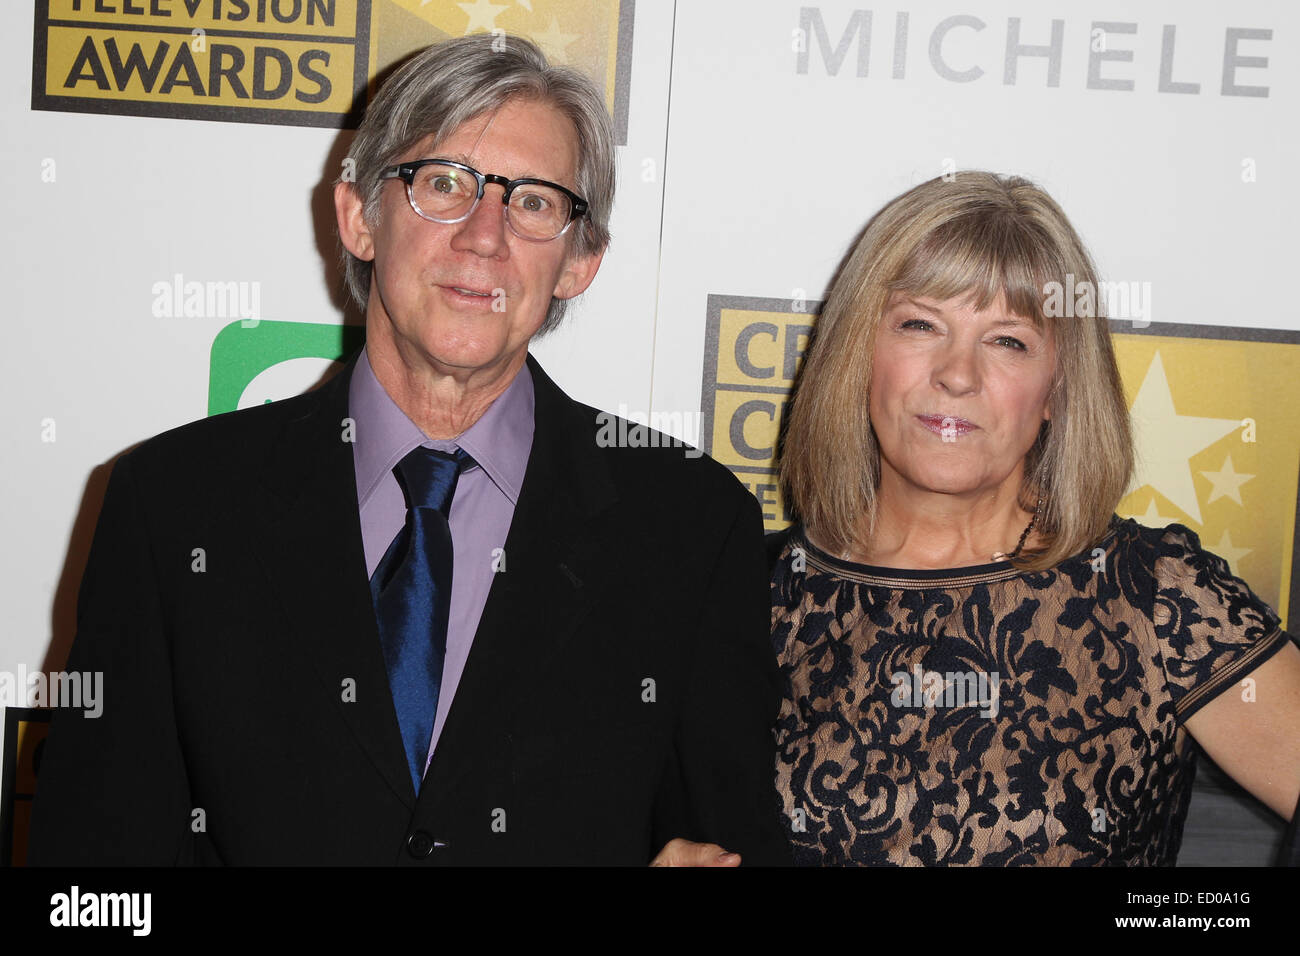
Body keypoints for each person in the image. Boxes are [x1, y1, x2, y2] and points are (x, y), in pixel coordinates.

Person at [28, 34, 791, 866]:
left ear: (581, 261)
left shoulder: (690, 525)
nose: (484, 235)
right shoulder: (171, 506)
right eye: (443, 185)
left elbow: (726, 843)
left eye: (533, 202)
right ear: (359, 216)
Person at [760, 171, 1299, 865]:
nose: (958, 374)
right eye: (921, 324)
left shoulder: (1153, 595)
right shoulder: (757, 593)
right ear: (858, 355)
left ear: (1057, 389)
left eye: (1008, 340)